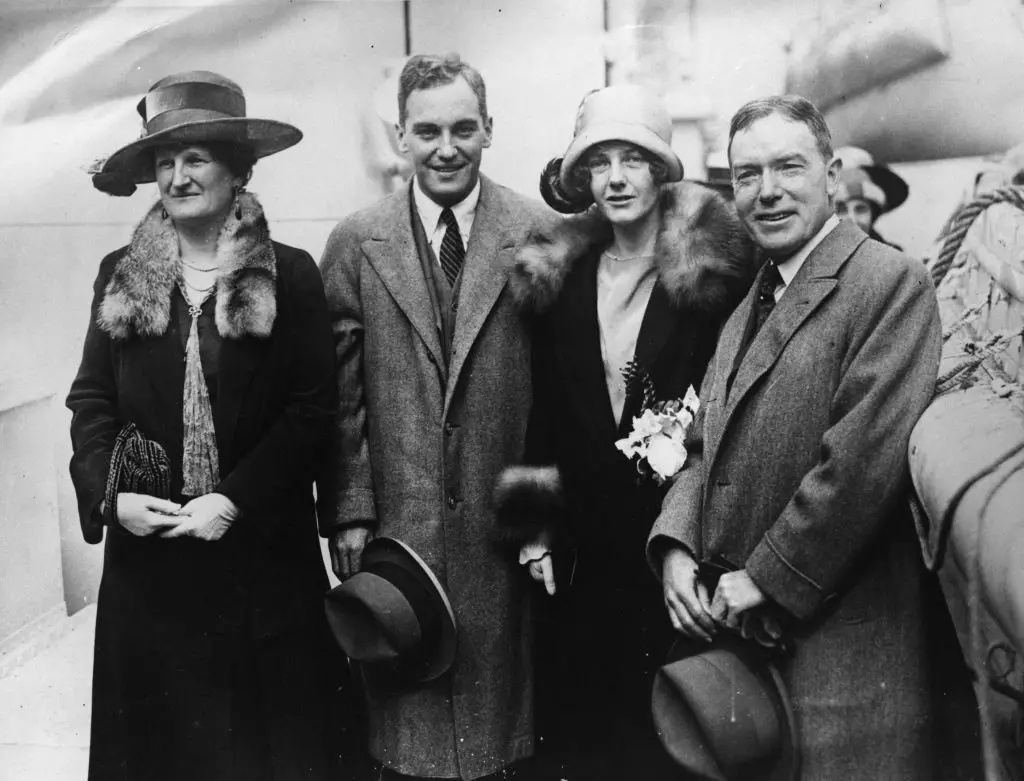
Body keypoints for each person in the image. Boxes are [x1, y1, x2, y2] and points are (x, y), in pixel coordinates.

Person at [647, 95, 942, 780]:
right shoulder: (755, 291)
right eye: (748, 174)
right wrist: (675, 547)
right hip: (748, 642)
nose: (768, 191)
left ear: (832, 174)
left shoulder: (888, 282)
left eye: (789, 167)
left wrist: (769, 577)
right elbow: (700, 440)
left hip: (839, 657)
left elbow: (862, 462)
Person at [67, 71, 341, 781]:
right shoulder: (120, 276)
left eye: (197, 158)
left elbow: (312, 409)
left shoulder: (291, 275)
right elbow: (92, 402)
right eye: (165, 161)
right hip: (151, 578)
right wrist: (110, 498)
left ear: (238, 169)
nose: (179, 176)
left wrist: (235, 498)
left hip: (263, 570)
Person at [502, 85, 754, 779]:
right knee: (585, 737)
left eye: (632, 160)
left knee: (670, 742)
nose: (614, 178)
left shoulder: (717, 276)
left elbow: (734, 410)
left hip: (676, 547)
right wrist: (537, 527)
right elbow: (548, 412)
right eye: (599, 162)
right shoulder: (565, 275)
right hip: (584, 551)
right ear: (581, 178)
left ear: (661, 169)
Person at [317, 53, 553, 781]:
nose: (446, 147)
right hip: (399, 532)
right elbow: (341, 394)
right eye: (427, 131)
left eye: (462, 128)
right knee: (407, 727)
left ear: (489, 131)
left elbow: (556, 395)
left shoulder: (539, 231)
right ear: (401, 136)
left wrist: (543, 519)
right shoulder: (358, 241)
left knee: (500, 733)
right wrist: (349, 511)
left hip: (501, 528)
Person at [834, 145, 908, 249]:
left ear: (873, 215)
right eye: (841, 210)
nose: (852, 220)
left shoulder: (892, 258)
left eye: (860, 209)